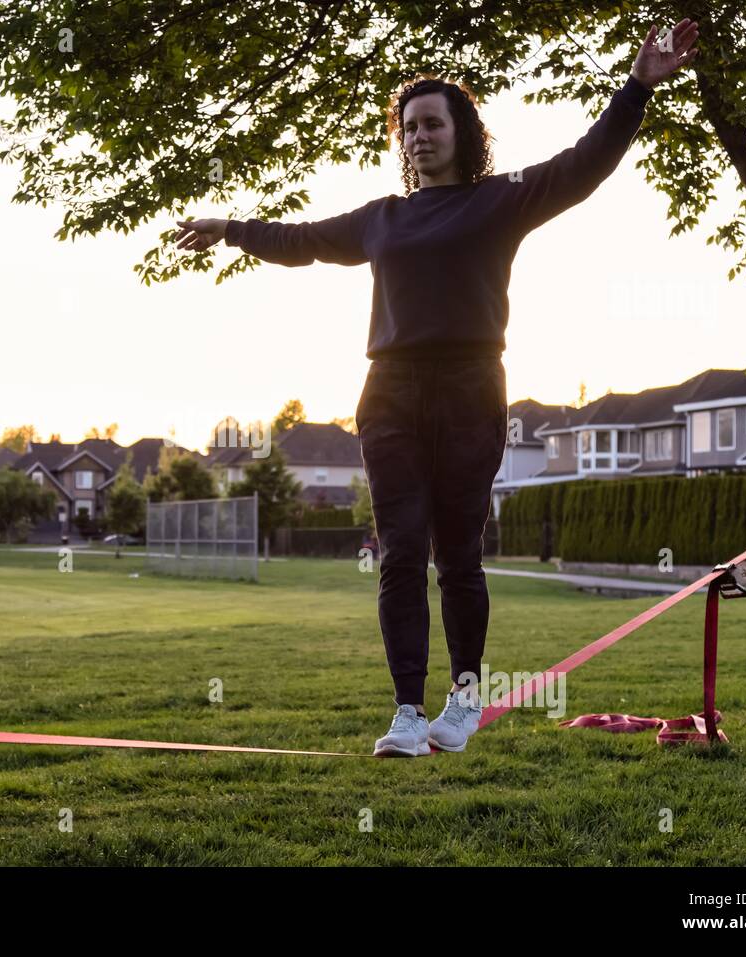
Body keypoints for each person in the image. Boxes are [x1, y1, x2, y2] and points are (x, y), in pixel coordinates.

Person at [174, 21, 700, 757]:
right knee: (399, 552)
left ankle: (461, 699)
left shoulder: (501, 200)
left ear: (461, 131)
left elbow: (584, 165)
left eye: (432, 123)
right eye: (408, 126)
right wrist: (230, 226)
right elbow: (303, 242)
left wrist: (638, 86)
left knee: (457, 553)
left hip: (470, 389)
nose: (418, 136)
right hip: (388, 392)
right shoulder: (381, 219)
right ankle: (406, 713)